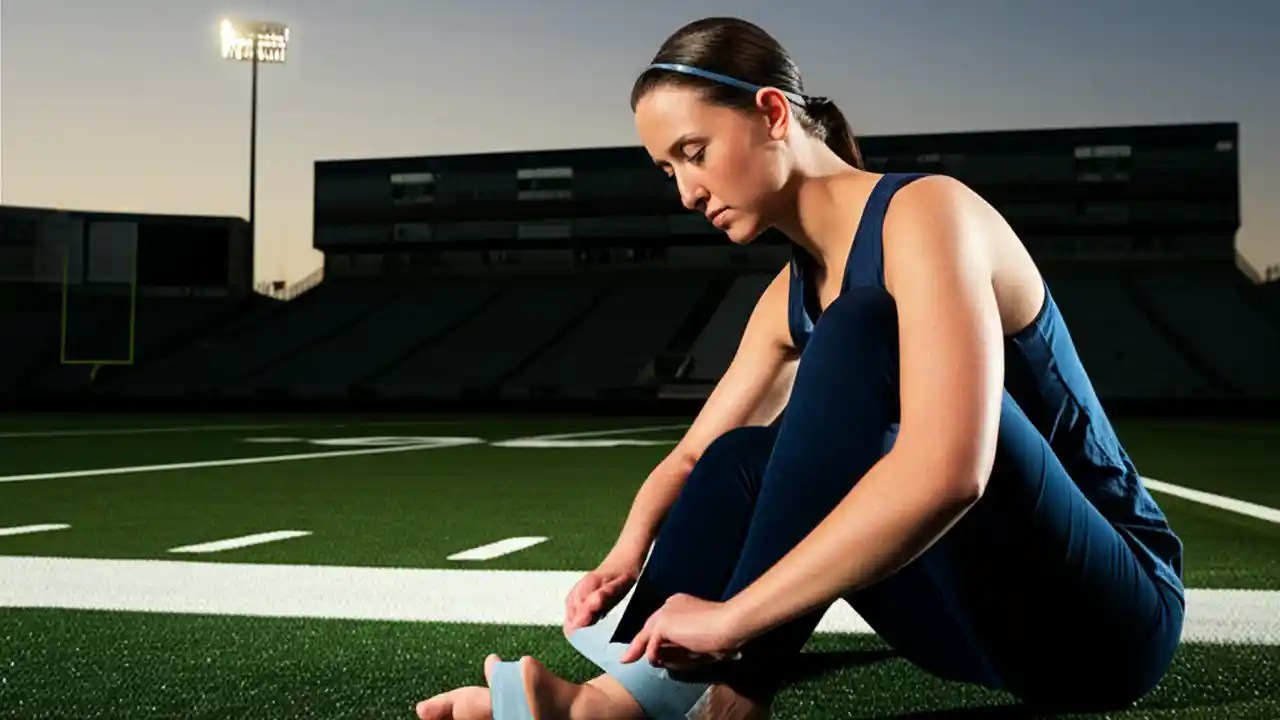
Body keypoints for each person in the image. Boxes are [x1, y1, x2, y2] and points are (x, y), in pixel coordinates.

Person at [416, 16, 1184, 720]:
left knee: (861, 326)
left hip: (1110, 625)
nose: (685, 192)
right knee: (740, 459)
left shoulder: (927, 215)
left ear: (773, 114)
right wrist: (627, 550)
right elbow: (693, 456)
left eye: (694, 152)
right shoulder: (788, 297)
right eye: (666, 170)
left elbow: (952, 473)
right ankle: (618, 699)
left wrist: (735, 621)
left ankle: (727, 695)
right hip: (976, 636)